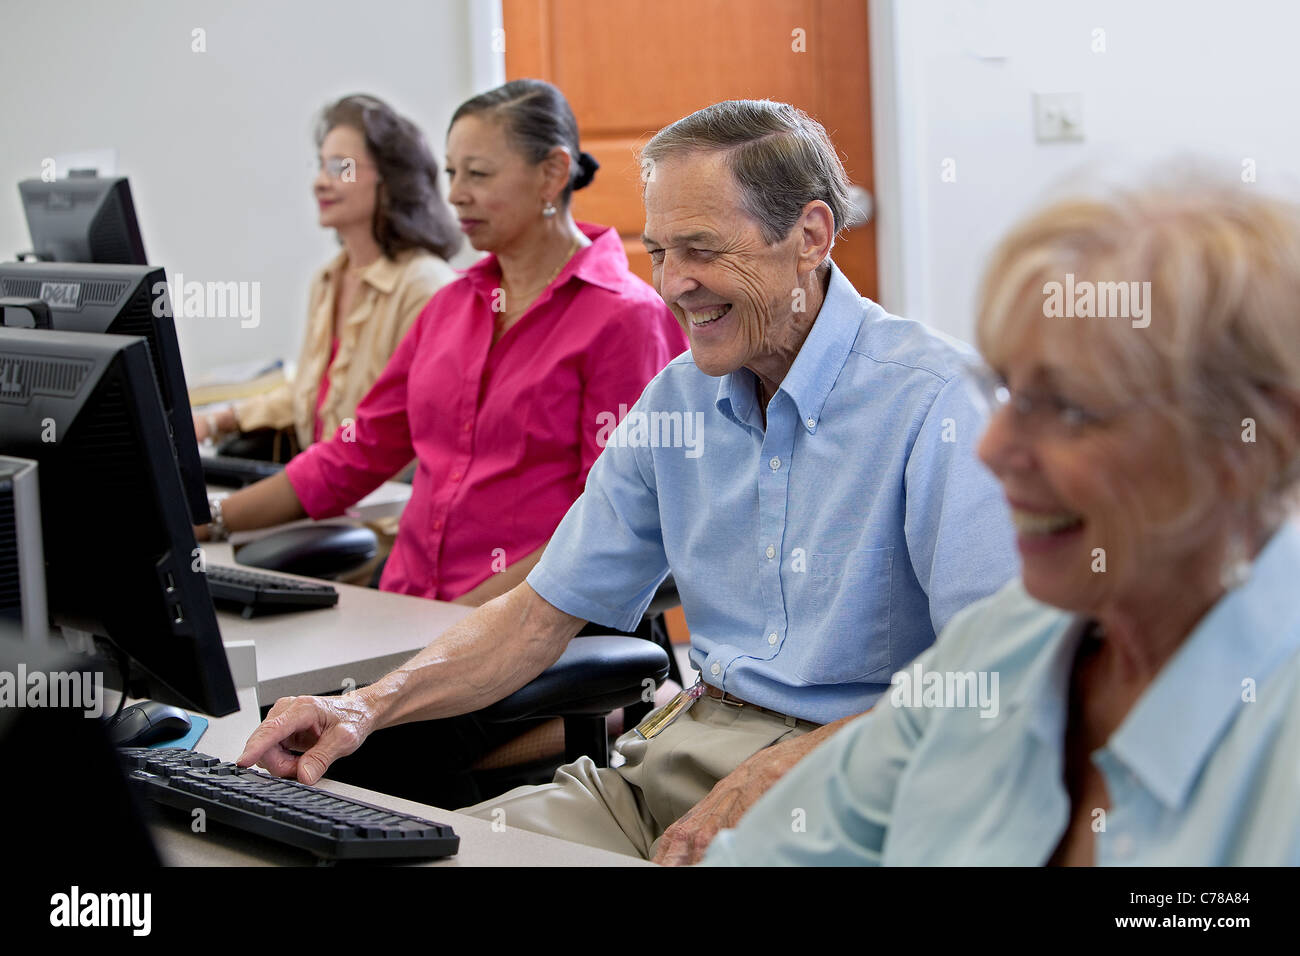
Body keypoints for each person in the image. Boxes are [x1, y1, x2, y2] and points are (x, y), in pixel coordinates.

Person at [236, 99, 1017, 862]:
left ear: (810, 235)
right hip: (669, 763)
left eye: (702, 250)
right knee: (435, 854)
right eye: (660, 253)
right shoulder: (679, 398)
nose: (674, 284)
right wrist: (363, 706)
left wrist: (793, 768)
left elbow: (1002, 679)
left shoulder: (937, 401)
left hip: (855, 774)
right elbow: (536, 618)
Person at [703, 181, 1300, 866]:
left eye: (1071, 407)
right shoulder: (1005, 643)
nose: (992, 448)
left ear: (1255, 443)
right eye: (1006, 391)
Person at [201, 79, 685, 808]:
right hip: (404, 628)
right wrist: (210, 520)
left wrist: (458, 628)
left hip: (508, 641)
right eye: (451, 173)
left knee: (326, 769)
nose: (455, 193)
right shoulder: (454, 305)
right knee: (246, 729)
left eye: (479, 174)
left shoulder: (624, 320)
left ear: (554, 174)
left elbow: (605, 532)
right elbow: (353, 453)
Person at [194, 94, 460, 457]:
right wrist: (218, 421)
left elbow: (407, 432)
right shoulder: (328, 279)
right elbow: (310, 392)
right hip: (324, 487)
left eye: (339, 168)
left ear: (391, 180)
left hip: (377, 505)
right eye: (320, 167)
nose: (319, 182)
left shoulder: (425, 286)